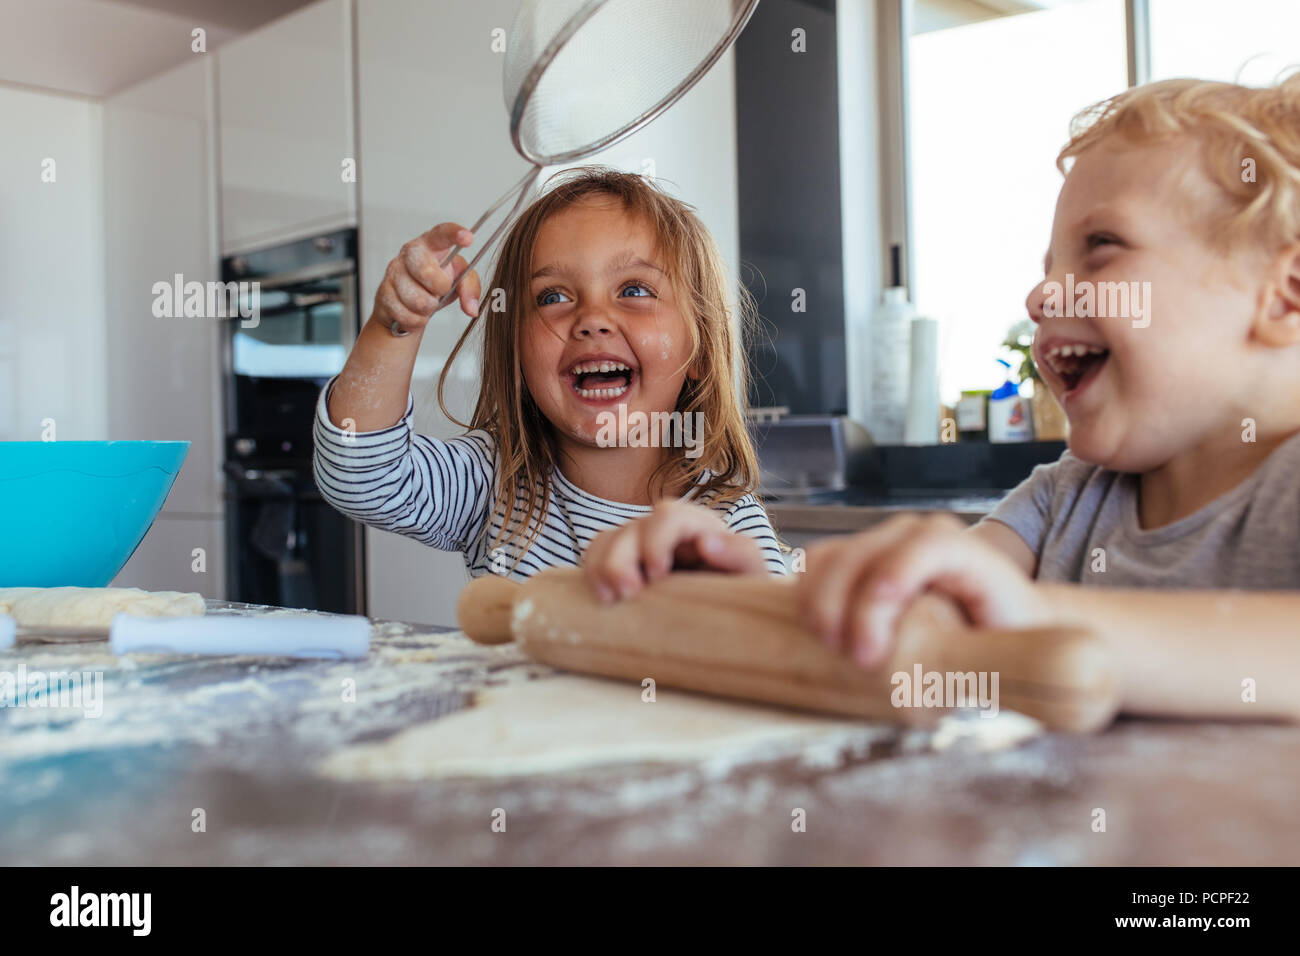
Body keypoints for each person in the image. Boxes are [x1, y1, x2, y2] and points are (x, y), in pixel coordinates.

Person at [313, 167, 787, 588]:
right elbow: (360, 476)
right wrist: (396, 327)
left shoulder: (726, 526)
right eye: (552, 297)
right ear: (515, 350)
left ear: (700, 347)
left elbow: (783, 663)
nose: (592, 318)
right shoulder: (497, 483)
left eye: (634, 290)